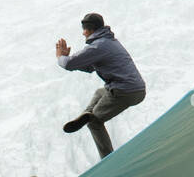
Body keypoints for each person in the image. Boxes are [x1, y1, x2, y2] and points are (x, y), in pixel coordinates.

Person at [55, 13, 146, 159]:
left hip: (124, 91)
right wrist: (72, 61)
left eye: (84, 29)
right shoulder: (109, 42)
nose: (83, 33)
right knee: (99, 92)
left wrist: (61, 56)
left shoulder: (98, 46)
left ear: (89, 30)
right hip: (137, 90)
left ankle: (108, 159)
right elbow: (91, 67)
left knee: (94, 123)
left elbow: (68, 64)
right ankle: (86, 114)